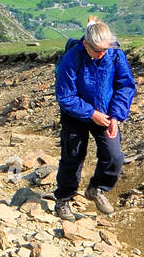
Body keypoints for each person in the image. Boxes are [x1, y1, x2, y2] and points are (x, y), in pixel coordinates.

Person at [53, 18, 136, 219]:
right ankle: (63, 199)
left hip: (106, 112)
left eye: (105, 50)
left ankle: (97, 188)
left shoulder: (114, 53)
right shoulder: (72, 58)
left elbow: (125, 86)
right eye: (97, 51)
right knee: (73, 156)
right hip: (75, 114)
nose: (102, 54)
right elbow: (65, 96)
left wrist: (115, 116)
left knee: (114, 155)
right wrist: (90, 113)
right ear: (85, 44)